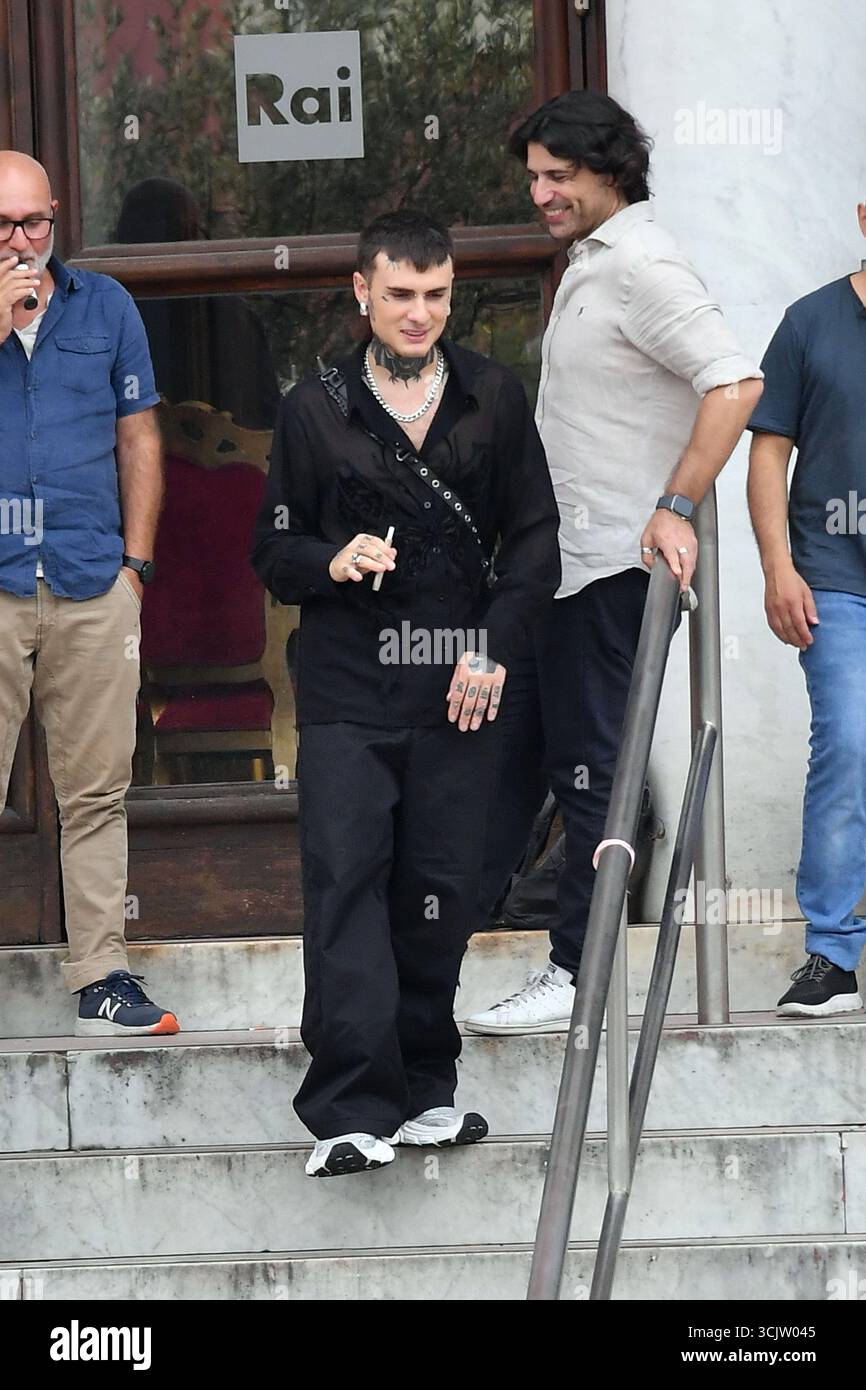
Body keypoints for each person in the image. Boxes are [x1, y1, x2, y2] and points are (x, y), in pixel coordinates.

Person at [251, 209, 560, 1176]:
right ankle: (348, 1106)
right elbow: (273, 552)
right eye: (400, 295)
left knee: (439, 891)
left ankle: (427, 1089)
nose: (418, 313)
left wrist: (495, 652)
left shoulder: (494, 397)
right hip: (348, 691)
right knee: (346, 886)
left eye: (434, 295)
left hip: (458, 689)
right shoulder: (316, 408)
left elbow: (536, 541)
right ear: (362, 293)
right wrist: (331, 556)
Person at [466, 91, 763, 1035]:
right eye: (534, 180)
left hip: (618, 571)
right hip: (565, 564)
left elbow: (735, 378)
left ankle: (574, 969)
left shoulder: (643, 261)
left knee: (594, 767)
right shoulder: (592, 265)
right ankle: (487, 941)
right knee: (533, 760)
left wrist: (676, 504)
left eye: (559, 176)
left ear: (610, 169)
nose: (543, 194)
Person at [0, 151, 178, 1035]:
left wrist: (134, 569)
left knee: (97, 789)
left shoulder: (105, 304)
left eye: (33, 224)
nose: (21, 243)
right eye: (1, 229)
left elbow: (140, 437)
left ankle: (102, 974)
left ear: (57, 215)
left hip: (89, 576)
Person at [747, 197, 866, 1017]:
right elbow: (768, 453)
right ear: (862, 216)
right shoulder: (809, 321)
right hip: (834, 576)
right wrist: (778, 568)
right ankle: (831, 951)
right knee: (852, 743)